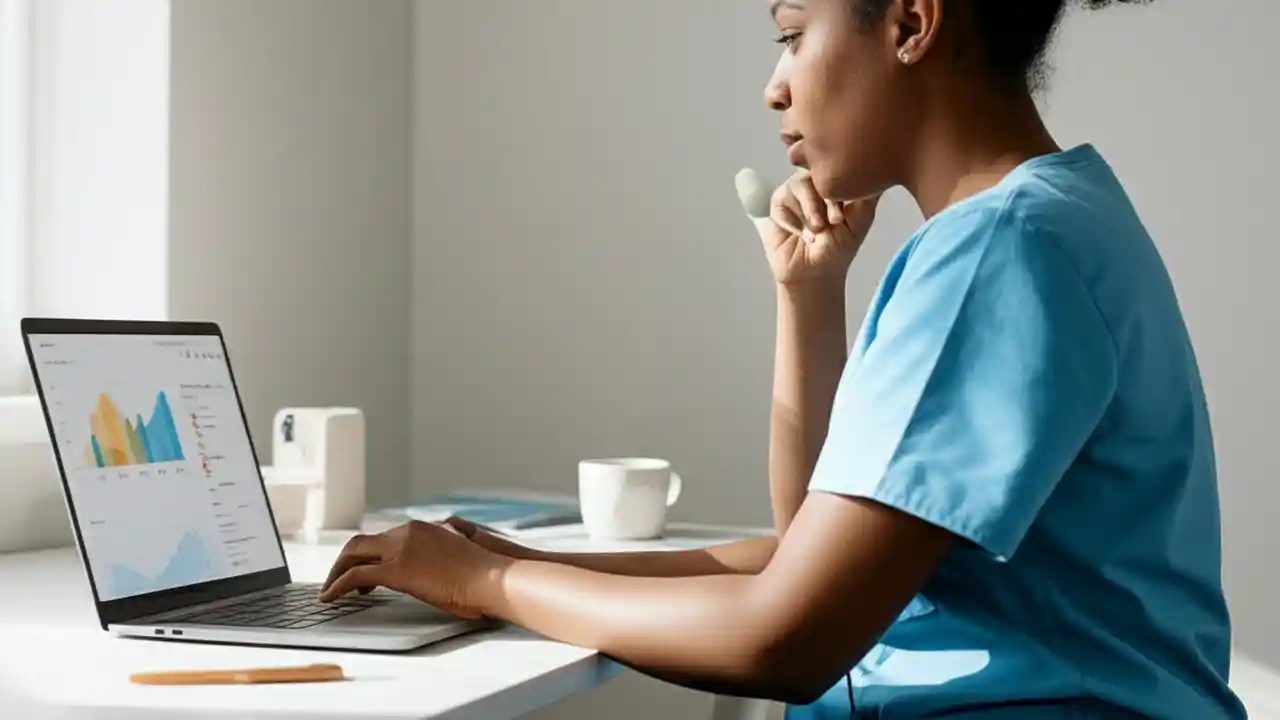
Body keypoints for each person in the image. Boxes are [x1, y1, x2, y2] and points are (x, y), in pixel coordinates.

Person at [319, 0, 1247, 716]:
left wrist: (490, 583)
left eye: (793, 34)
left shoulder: (997, 252)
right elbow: (816, 551)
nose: (774, 85)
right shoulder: (1046, 219)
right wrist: (807, 299)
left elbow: (787, 640)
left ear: (913, 23)